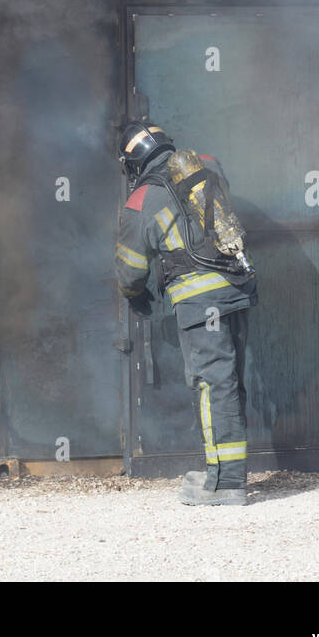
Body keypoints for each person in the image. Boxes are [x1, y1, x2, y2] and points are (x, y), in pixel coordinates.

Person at [115, 120, 257, 505]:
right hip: (237, 288)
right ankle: (219, 473)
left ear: (133, 163)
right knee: (228, 383)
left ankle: (227, 483)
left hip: (198, 302)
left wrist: (133, 294)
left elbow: (130, 268)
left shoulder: (140, 201)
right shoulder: (208, 165)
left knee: (213, 385)